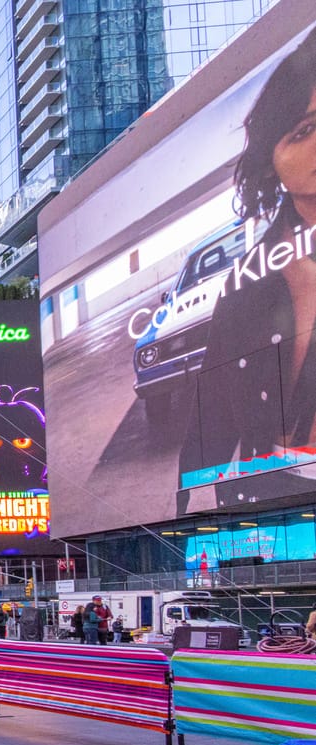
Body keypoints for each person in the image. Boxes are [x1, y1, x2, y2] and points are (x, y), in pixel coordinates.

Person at [178, 29, 316, 515]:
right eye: (303, 130)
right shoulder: (246, 279)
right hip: (263, 503)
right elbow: (210, 417)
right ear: (271, 160)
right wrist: (187, 512)